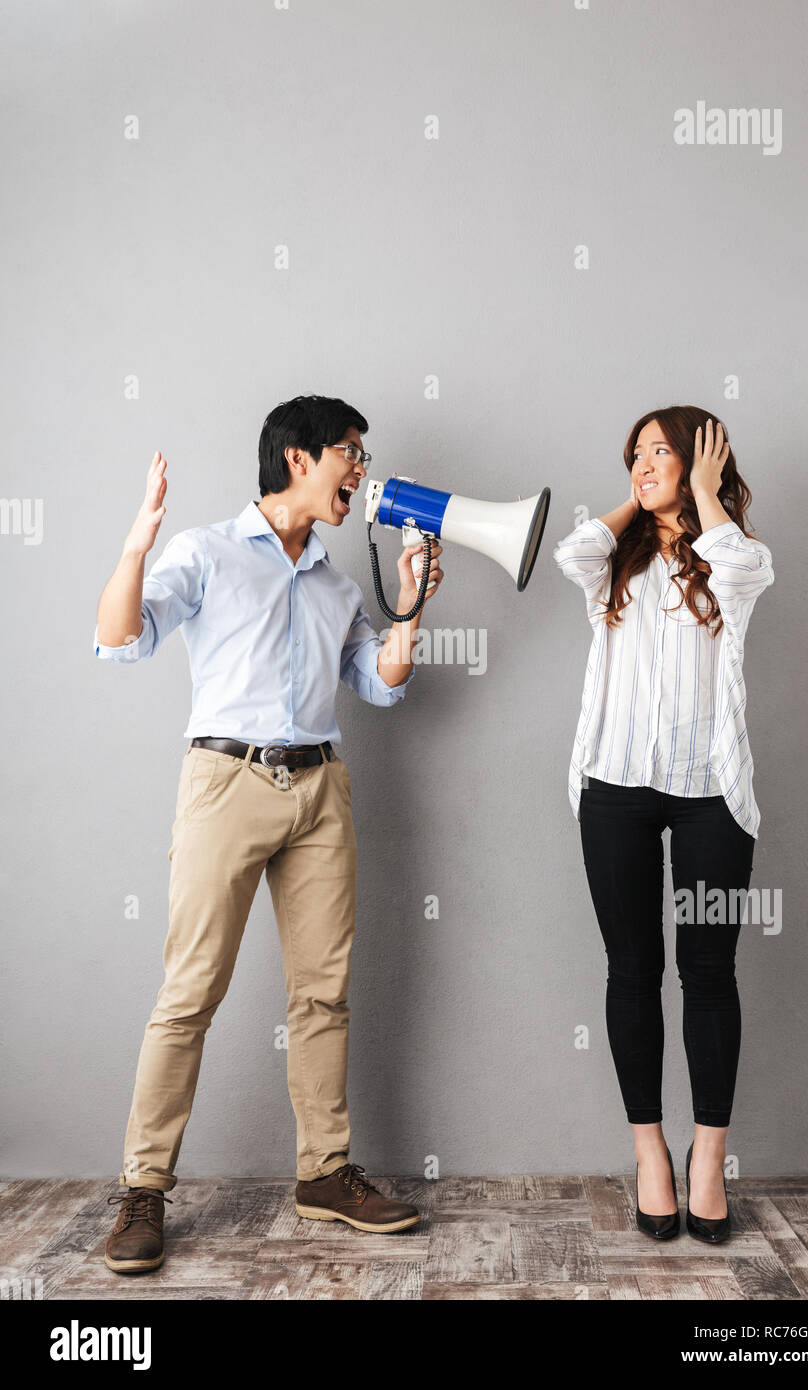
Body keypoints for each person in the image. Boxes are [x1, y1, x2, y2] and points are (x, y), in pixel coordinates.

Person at [94, 395, 443, 1272]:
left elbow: (383, 682)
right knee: (189, 994)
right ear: (299, 458)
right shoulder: (204, 551)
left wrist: (407, 606)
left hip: (320, 785)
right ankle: (143, 1189)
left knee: (322, 995)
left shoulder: (335, 581)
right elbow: (120, 637)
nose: (362, 472)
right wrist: (136, 546)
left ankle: (324, 1174)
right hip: (226, 780)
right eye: (350, 455)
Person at [554, 408, 773, 1243]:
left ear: (702, 462)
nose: (641, 464)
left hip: (711, 791)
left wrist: (704, 498)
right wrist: (639, 499)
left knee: (709, 971)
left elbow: (741, 562)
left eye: (659, 452)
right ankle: (649, 1153)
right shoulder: (613, 562)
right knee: (632, 967)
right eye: (633, 454)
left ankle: (708, 1158)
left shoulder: (733, 560)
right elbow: (574, 549)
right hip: (615, 786)